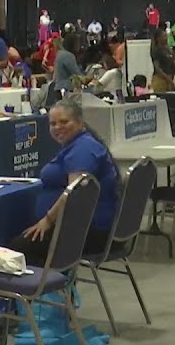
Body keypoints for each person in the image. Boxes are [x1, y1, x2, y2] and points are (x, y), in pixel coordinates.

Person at [9, 99, 120, 264]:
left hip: (87, 231)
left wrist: (47, 220)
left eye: (64, 122)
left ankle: (51, 287)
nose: (57, 127)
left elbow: (74, 194)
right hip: (79, 225)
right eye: (52, 124)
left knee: (15, 251)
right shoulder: (77, 144)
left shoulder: (84, 150)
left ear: (80, 122)